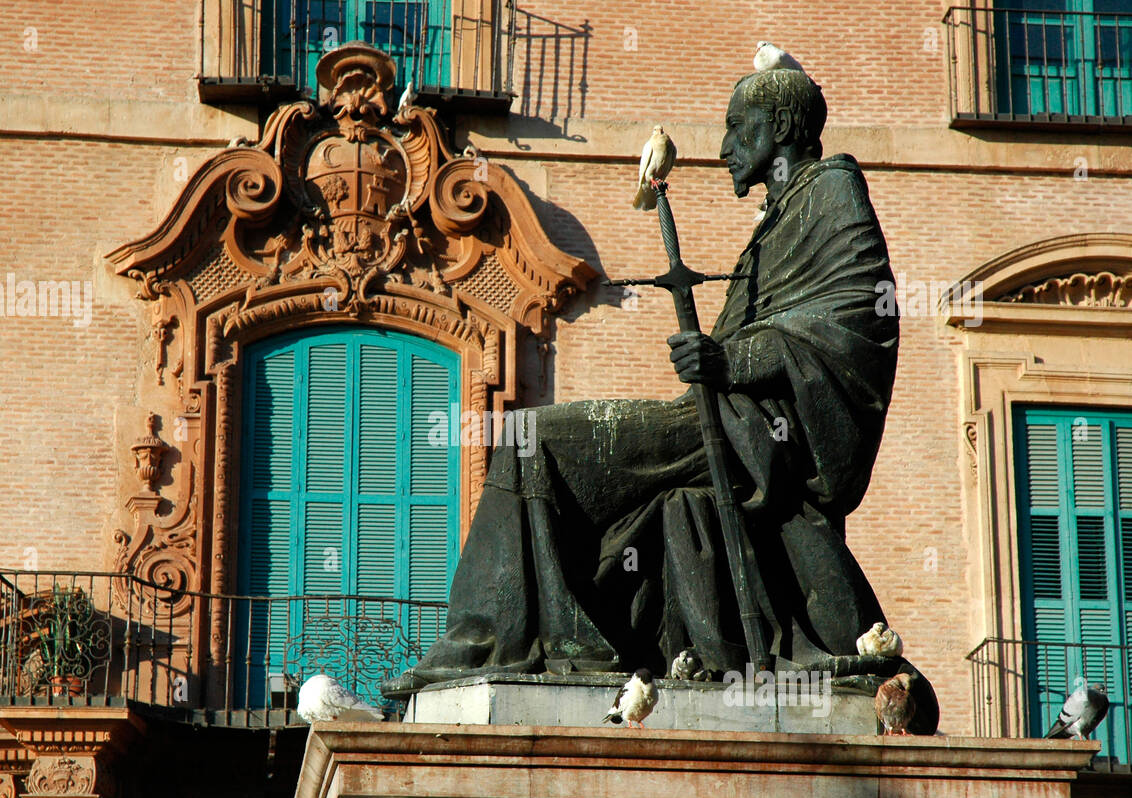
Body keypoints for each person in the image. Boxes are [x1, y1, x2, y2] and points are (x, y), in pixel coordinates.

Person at [383, 68, 925, 721]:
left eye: (736, 129)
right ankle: (562, 640)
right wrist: (726, 359)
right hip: (723, 419)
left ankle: (487, 644)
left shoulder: (834, 195)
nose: (723, 146)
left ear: (781, 129)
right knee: (536, 449)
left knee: (534, 446)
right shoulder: (786, 212)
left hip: (755, 435)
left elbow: (856, 326)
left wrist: (732, 357)